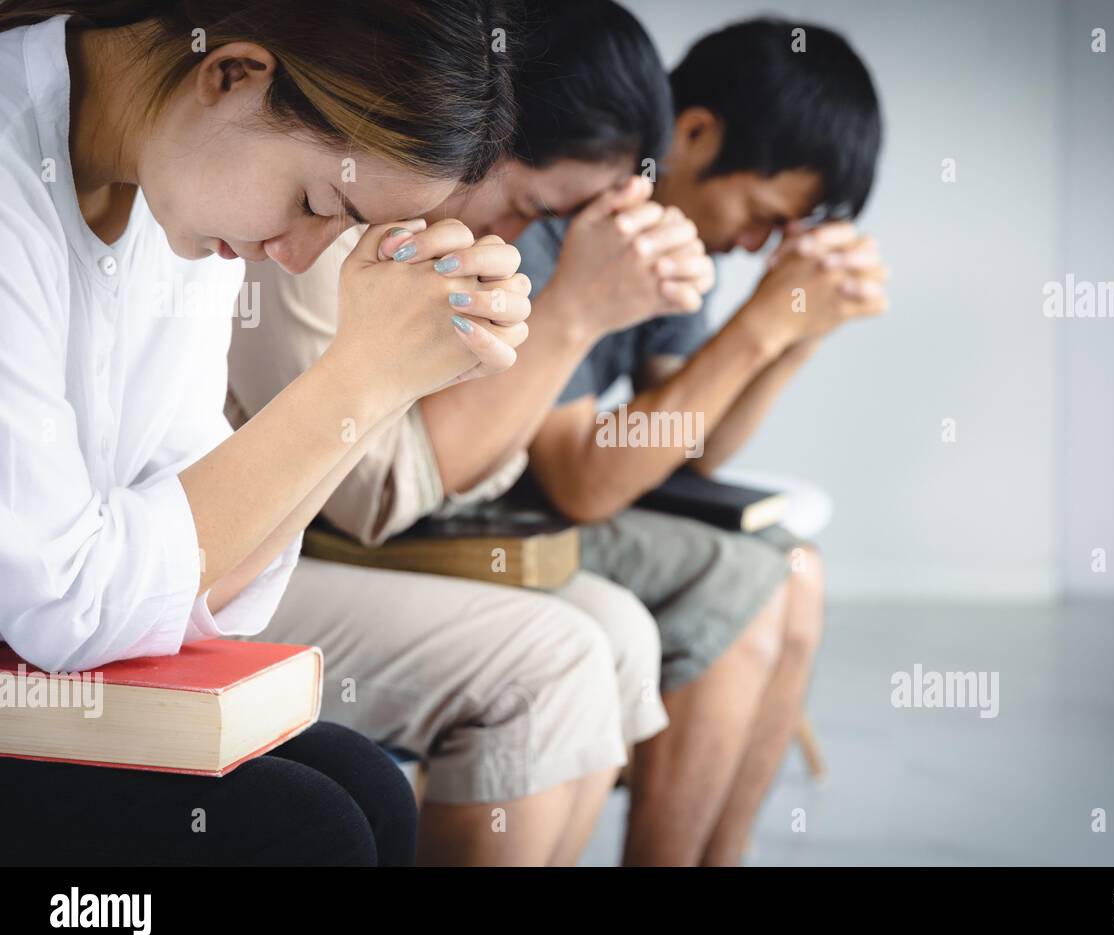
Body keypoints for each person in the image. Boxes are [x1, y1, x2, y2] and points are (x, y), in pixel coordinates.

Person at [0, 0, 525, 865]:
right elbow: (70, 602)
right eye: (318, 199)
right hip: (38, 653)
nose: (297, 252)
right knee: (307, 829)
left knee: (368, 786)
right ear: (233, 74)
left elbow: (193, 551)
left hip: (41, 670)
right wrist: (363, 375)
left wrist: (397, 374)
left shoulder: (182, 202)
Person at [225, 0, 694, 865]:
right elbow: (375, 497)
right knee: (549, 664)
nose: (518, 235)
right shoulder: (323, 214)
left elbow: (463, 473)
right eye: (528, 204)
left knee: (621, 631)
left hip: (313, 551)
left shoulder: (433, 234)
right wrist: (575, 314)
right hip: (253, 561)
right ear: (481, 138)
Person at [510, 17, 889, 865]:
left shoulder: (683, 237)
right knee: (750, 592)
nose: (753, 245)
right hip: (499, 510)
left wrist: (798, 333)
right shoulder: (563, 210)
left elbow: (693, 448)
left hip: (562, 500)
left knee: (800, 570)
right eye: (760, 214)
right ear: (694, 131)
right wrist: (760, 325)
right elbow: (581, 485)